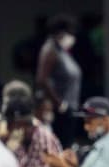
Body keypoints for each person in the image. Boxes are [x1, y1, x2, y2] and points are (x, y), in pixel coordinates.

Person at [35, 15, 82, 145]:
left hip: (69, 107)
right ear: (61, 33)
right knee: (61, 144)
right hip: (60, 110)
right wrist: (59, 103)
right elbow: (42, 79)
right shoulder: (50, 50)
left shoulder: (62, 51)